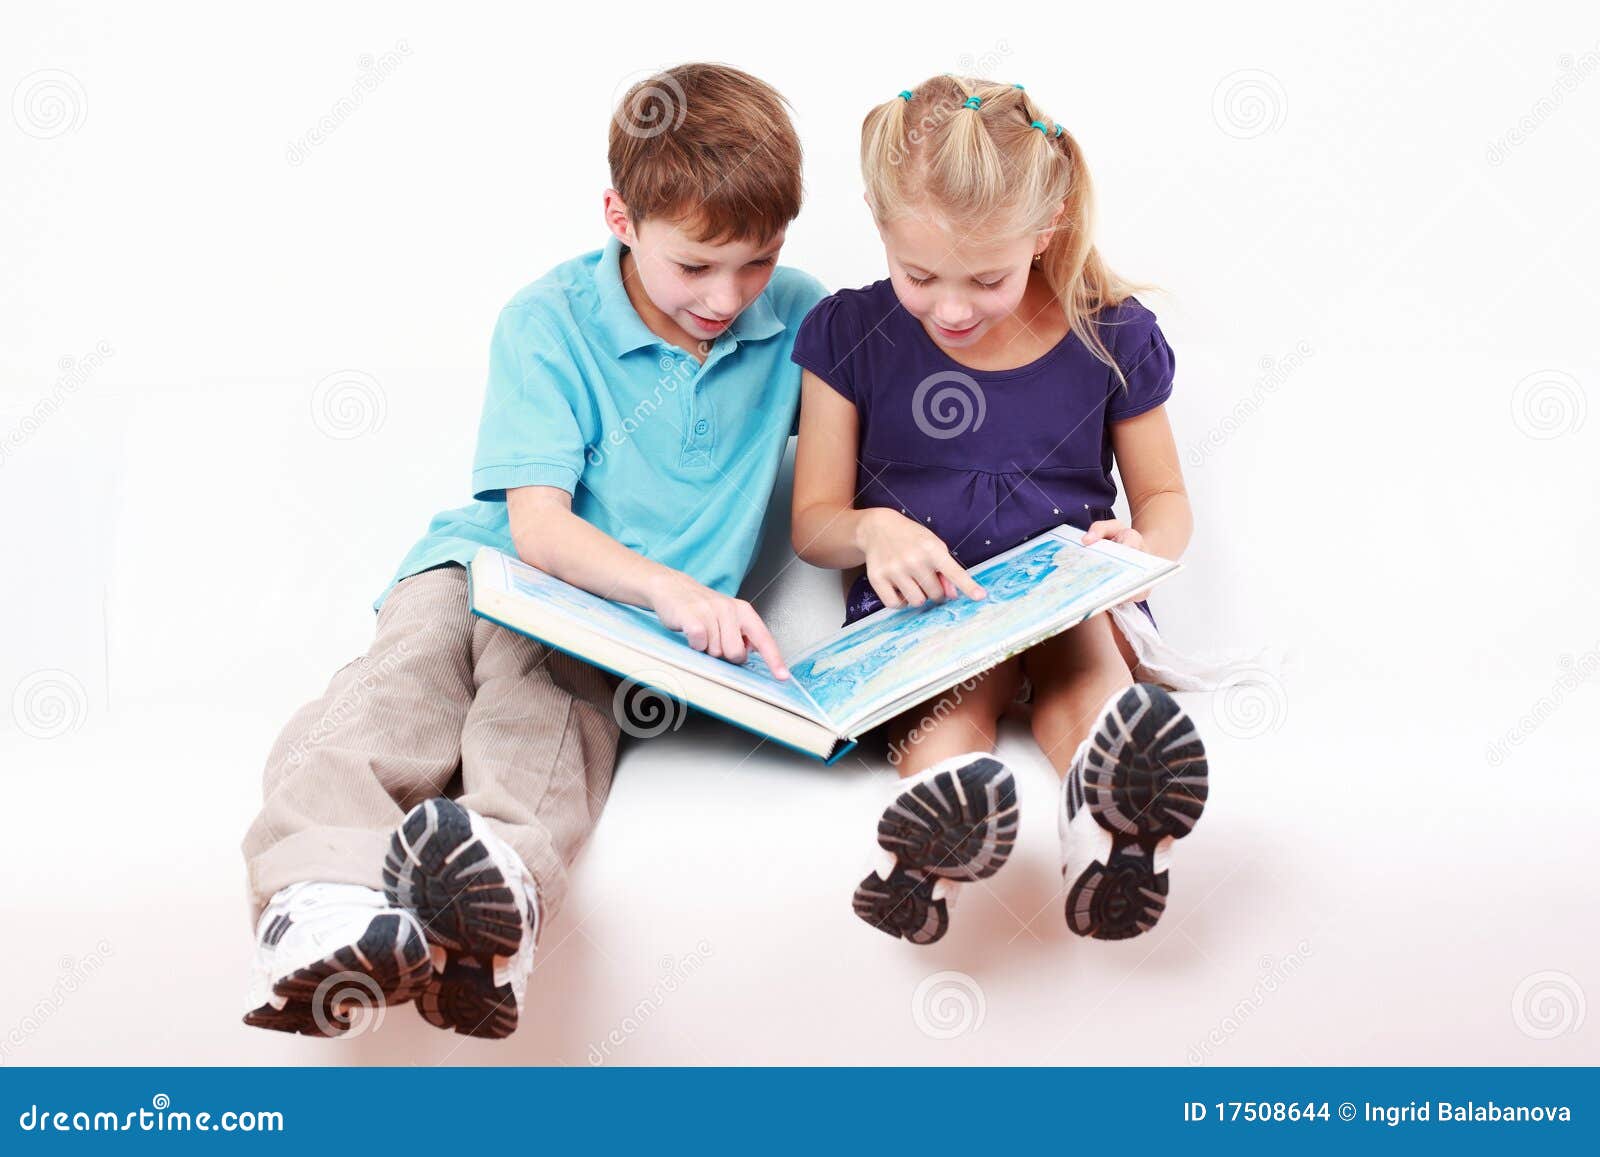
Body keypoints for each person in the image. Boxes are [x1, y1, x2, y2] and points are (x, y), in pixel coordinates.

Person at [241, 63, 826, 1037]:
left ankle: (489, 900)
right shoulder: (548, 319)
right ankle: (317, 899)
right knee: (402, 681)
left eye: (756, 261)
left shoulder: (805, 317)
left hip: (600, 625)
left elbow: (906, 419)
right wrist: (672, 588)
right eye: (694, 265)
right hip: (494, 561)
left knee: (541, 698)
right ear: (620, 216)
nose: (727, 296)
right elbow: (540, 531)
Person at [791, 76, 1210, 946]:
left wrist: (1139, 547)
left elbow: (1165, 498)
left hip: (1067, 591)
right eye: (918, 275)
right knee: (951, 693)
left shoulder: (1111, 332)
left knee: (1087, 660)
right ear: (879, 226)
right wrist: (874, 528)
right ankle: (928, 840)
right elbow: (814, 521)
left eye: (987, 278)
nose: (950, 308)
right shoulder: (849, 335)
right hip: (929, 608)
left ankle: (1109, 829)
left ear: (1044, 229)